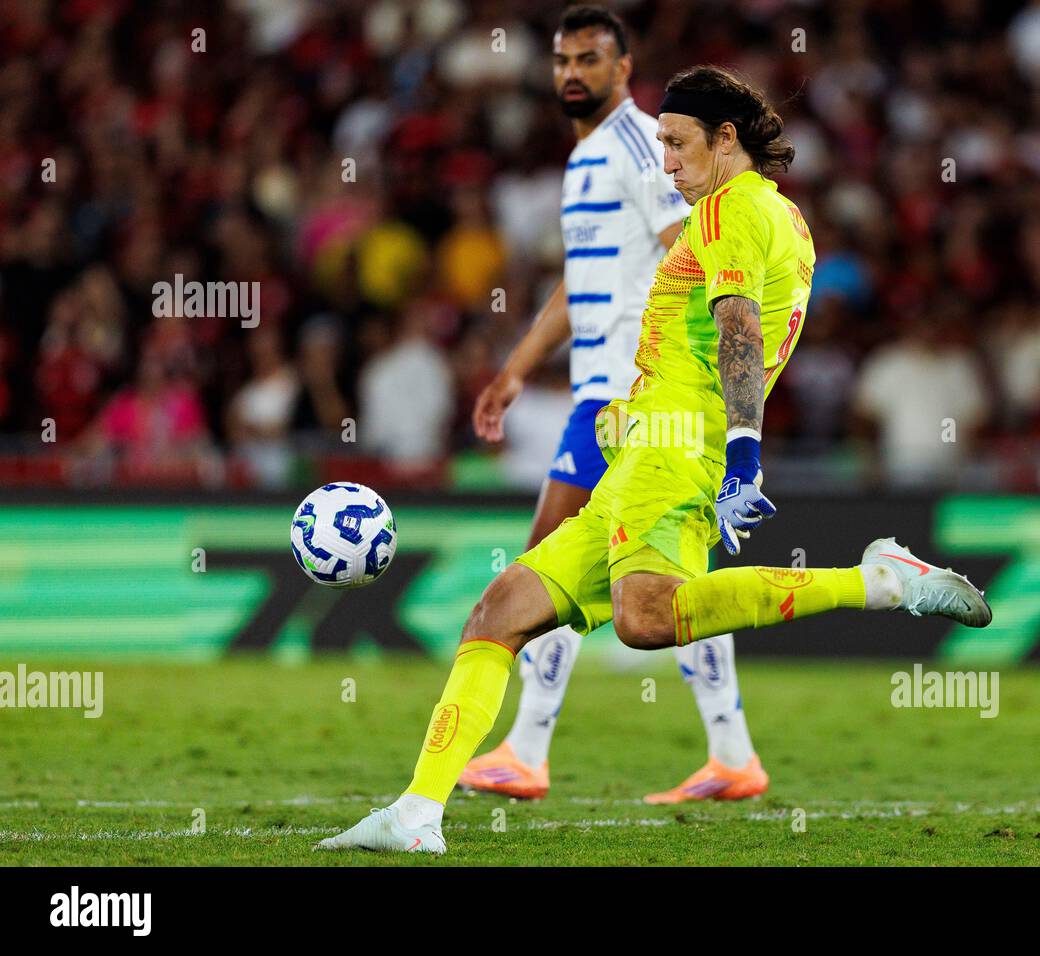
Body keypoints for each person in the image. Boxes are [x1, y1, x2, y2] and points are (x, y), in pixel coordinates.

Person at [319, 63, 991, 857]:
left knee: (646, 620)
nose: (666, 162)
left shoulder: (729, 214)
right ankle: (417, 812)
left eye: (676, 143)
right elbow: (716, 339)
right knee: (497, 616)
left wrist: (742, 449)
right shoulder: (783, 219)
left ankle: (876, 581)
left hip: (677, 452)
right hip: (649, 446)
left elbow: (739, 328)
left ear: (725, 138)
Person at [459, 5, 767, 805]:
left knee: (546, 562)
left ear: (623, 69)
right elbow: (578, 283)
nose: (572, 72)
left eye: (590, 59)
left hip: (628, 391)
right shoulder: (585, 157)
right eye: (563, 58)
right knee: (645, 573)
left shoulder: (637, 144)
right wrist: (518, 367)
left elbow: (688, 246)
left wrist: (682, 377)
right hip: (604, 389)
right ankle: (730, 751)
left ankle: (527, 750)